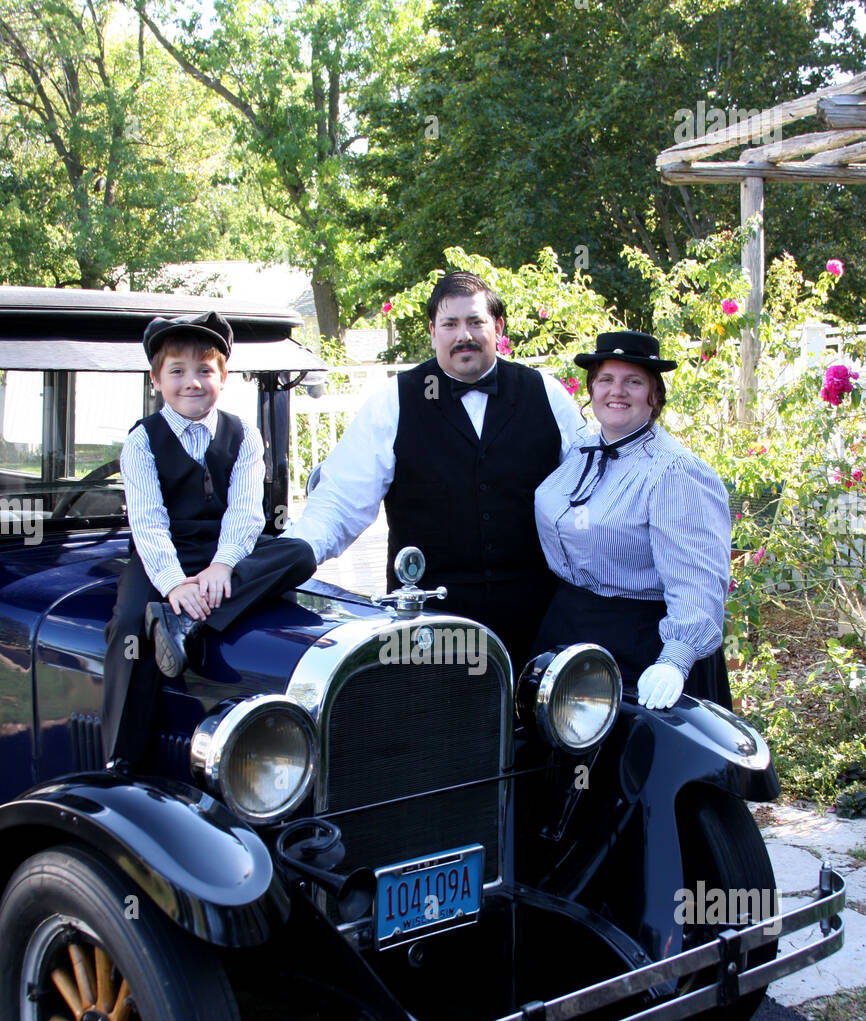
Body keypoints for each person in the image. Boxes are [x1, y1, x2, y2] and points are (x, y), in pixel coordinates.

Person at [291, 271, 587, 670]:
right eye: (450, 324)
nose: (463, 335)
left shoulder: (546, 394)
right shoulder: (394, 402)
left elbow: (589, 488)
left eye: (475, 321)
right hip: (430, 627)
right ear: (433, 332)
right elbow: (341, 503)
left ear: (497, 327)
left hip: (537, 620)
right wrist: (291, 556)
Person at [102, 310, 316, 767]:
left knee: (299, 553)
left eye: (205, 370)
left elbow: (244, 511)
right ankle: (120, 762)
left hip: (226, 550)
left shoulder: (244, 434)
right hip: (163, 554)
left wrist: (223, 565)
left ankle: (187, 621)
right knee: (127, 630)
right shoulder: (141, 441)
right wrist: (174, 583)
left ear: (223, 377)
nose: (192, 382)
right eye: (177, 371)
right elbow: (147, 520)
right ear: (157, 380)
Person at [533, 330, 732, 710]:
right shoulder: (581, 453)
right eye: (606, 379)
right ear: (592, 389)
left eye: (633, 382)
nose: (616, 391)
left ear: (654, 395)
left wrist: (675, 660)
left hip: (640, 644)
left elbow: (699, 581)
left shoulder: (676, 472)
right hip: (567, 630)